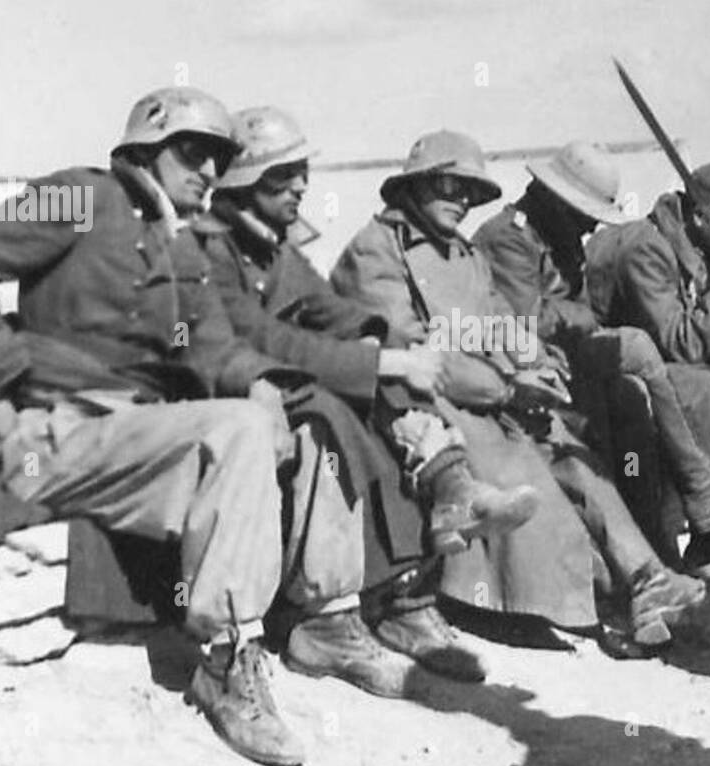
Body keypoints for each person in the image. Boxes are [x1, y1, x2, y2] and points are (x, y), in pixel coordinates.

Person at [0, 87, 305, 766]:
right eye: (195, 152)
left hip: (130, 446)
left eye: (220, 159)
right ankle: (224, 658)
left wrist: (262, 384)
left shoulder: (183, 245)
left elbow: (212, 347)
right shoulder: (80, 196)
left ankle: (290, 632)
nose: (210, 172)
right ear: (144, 148)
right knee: (238, 434)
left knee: (267, 434)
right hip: (56, 434)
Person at [198, 104, 538, 684]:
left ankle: (414, 578)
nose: (301, 186)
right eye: (284, 175)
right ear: (245, 180)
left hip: (286, 379)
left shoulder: (274, 249)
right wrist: (377, 361)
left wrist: (382, 348)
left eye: (302, 172)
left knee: (390, 387)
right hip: (228, 392)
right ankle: (325, 621)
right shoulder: (207, 249)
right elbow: (258, 336)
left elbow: (331, 311)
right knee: (336, 420)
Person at [330, 129, 707, 653]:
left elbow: (502, 320)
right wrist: (505, 387)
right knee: (518, 472)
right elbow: (407, 354)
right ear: (414, 185)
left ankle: (647, 579)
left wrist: (538, 364)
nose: (459, 199)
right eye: (447, 184)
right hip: (420, 402)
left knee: (574, 454)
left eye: (469, 190)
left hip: (488, 389)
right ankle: (548, 601)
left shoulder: (463, 255)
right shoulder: (375, 252)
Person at [476, 142, 710, 565]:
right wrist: (580, 321)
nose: (587, 226)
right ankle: (702, 491)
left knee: (641, 401)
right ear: (555, 199)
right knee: (667, 371)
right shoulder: (508, 238)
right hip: (521, 370)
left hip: (565, 358)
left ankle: (671, 546)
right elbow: (525, 319)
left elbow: (578, 311)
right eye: (581, 212)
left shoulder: (560, 237)